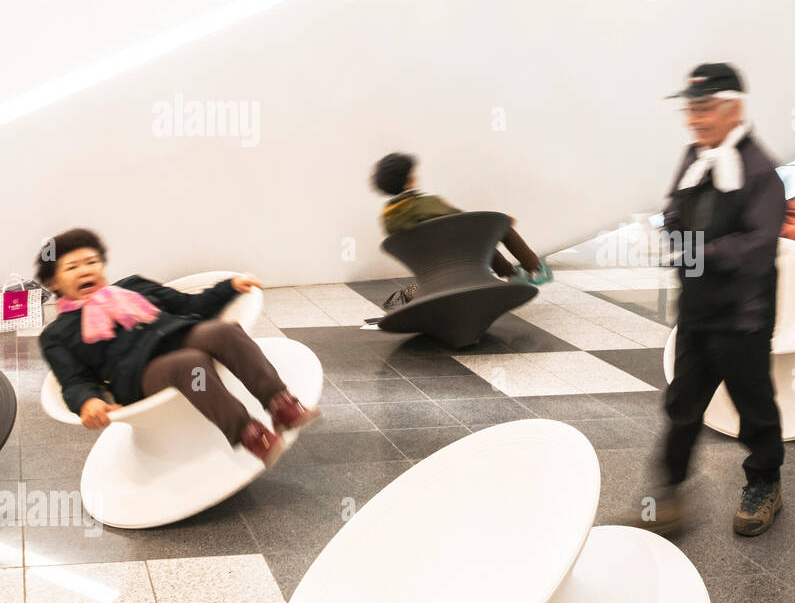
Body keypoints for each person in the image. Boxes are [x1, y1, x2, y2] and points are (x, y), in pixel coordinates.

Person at [36, 228, 319, 466]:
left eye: (91, 262)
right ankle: (251, 435)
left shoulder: (134, 286)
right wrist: (87, 401)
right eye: (72, 267)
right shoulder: (57, 334)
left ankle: (281, 405)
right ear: (53, 282)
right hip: (140, 374)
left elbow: (188, 305)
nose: (85, 270)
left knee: (222, 331)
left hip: (178, 333)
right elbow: (73, 380)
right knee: (190, 363)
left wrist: (229, 286)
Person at [645, 62, 786, 537]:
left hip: (743, 315)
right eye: (690, 108)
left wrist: (699, 252)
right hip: (698, 309)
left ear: (733, 108)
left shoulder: (761, 170)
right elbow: (672, 206)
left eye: (703, 108)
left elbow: (759, 244)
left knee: (754, 407)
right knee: (682, 403)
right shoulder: (695, 157)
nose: (694, 118)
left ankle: (765, 482)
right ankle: (667, 493)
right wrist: (672, 230)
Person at [371, 152, 552, 308]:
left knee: (477, 239)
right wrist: (499, 221)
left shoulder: (389, 217)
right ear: (409, 179)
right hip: (458, 257)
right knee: (498, 228)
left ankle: (512, 273)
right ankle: (534, 269)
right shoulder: (425, 203)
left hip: (431, 262)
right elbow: (462, 221)